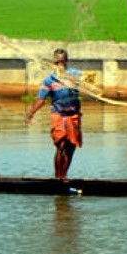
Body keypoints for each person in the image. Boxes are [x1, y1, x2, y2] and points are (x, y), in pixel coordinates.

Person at [24, 48, 83, 180]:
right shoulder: (49, 80)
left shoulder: (76, 74)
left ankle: (64, 176)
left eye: (63, 61)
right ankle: (57, 178)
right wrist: (30, 114)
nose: (61, 64)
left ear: (67, 61)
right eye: (58, 62)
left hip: (74, 116)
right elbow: (40, 100)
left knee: (71, 147)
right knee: (60, 145)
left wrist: (73, 80)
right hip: (58, 115)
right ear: (54, 63)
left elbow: (87, 84)